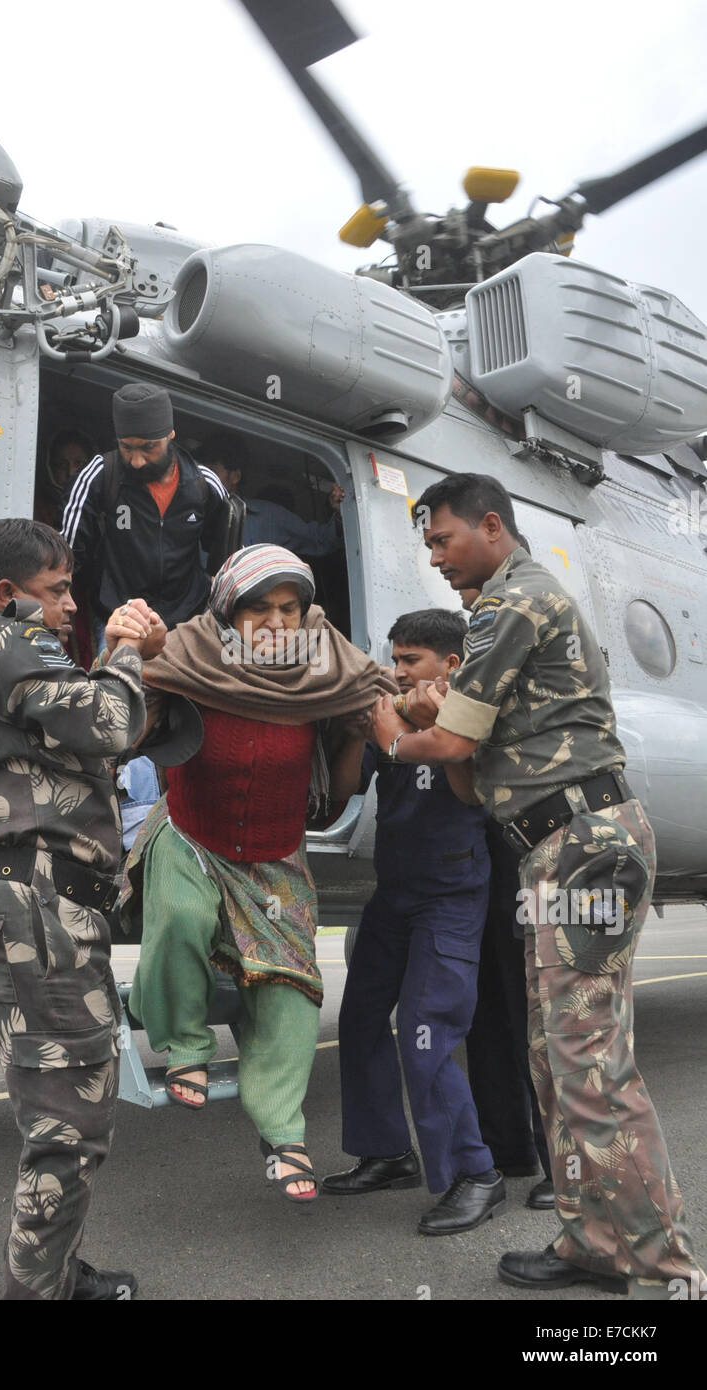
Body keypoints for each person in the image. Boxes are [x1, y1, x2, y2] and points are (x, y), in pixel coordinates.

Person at [372, 472, 705, 1297]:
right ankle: (590, 1241)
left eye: (444, 539)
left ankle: (664, 1266)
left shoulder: (510, 605)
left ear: (492, 526)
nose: (435, 558)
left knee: (590, 1065)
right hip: (550, 850)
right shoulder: (504, 608)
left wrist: (392, 729)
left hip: (582, 844)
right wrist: (433, 726)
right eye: (426, 544)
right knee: (557, 1060)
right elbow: (469, 780)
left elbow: (448, 750)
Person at [0, 517, 166, 1300]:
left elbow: (91, 736)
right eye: (57, 590)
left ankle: (54, 1274)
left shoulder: (7, 671)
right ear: (8, 594)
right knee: (67, 1126)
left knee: (62, 1115)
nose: (70, 606)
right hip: (40, 906)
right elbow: (112, 721)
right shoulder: (1, 640)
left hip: (31, 903)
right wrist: (127, 649)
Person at [120, 544, 392, 1200]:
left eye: (289, 608)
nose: (275, 622)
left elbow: (374, 715)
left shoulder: (330, 666)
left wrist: (388, 729)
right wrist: (137, 655)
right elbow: (123, 715)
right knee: (180, 921)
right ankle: (183, 1045)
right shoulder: (185, 651)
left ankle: (283, 1135)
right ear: (227, 612)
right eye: (259, 609)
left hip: (274, 855)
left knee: (292, 992)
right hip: (193, 837)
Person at [322, 609, 504, 1235]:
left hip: (449, 898)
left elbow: (472, 793)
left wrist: (418, 730)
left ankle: (475, 1174)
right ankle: (387, 1153)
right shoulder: (389, 716)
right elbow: (344, 790)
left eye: (410, 661)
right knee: (362, 1018)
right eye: (393, 659)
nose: (396, 671)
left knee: (426, 1032)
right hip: (394, 895)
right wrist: (359, 731)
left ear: (451, 665)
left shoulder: (470, 718)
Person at [457, 574, 553, 1210]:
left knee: (534, 1017)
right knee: (489, 1014)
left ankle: (559, 1167)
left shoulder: (493, 690)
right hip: (477, 877)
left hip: (517, 858)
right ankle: (509, 1149)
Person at [61, 383, 232, 635]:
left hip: (186, 624)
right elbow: (65, 557)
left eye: (148, 447)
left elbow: (225, 561)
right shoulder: (98, 475)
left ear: (170, 435)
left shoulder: (204, 484)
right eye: (126, 447)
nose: (137, 461)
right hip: (119, 620)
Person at [197, 433, 345, 557]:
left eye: (212, 470)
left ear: (235, 476)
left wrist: (340, 513)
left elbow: (320, 539)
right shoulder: (191, 513)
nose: (205, 477)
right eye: (201, 470)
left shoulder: (268, 516)